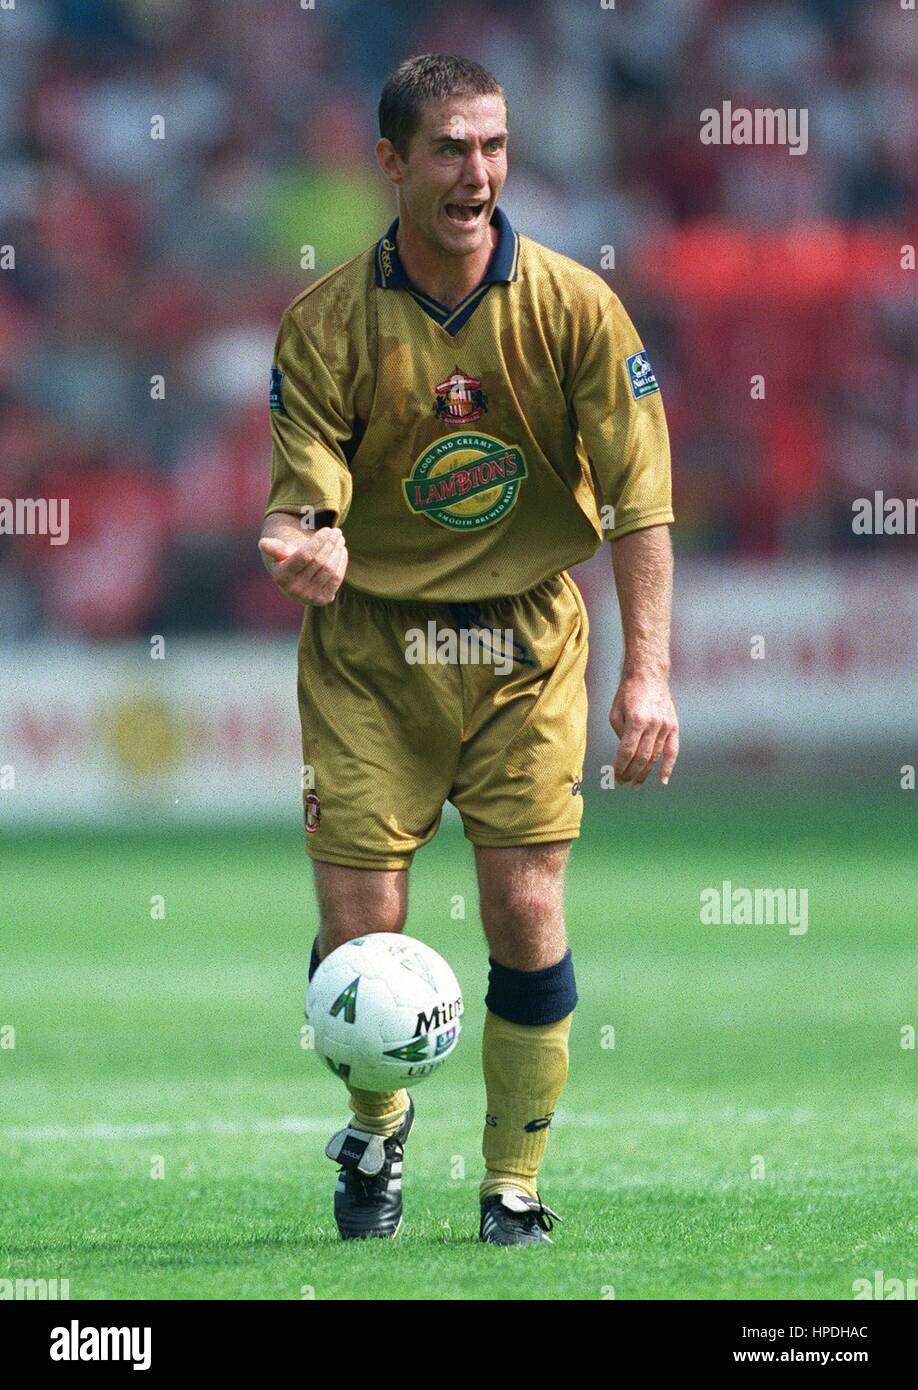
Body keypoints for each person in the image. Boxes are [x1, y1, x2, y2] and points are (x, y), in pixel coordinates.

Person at [260, 53, 678, 1245]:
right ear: (391, 163)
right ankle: (378, 1125)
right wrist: (303, 544)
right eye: (449, 148)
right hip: (370, 651)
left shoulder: (577, 308)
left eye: (492, 146)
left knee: (525, 909)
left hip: (524, 641)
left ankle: (512, 1184)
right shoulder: (326, 319)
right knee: (358, 927)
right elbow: (301, 503)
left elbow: (642, 500)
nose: (476, 171)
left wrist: (647, 669)